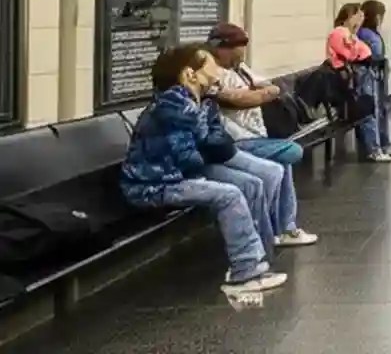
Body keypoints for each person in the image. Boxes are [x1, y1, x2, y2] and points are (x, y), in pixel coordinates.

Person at [119, 44, 287, 294]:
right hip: (155, 183)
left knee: (252, 183)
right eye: (209, 64)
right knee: (229, 194)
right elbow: (187, 156)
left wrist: (210, 145)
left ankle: (260, 260)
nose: (216, 70)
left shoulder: (202, 100)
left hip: (178, 174)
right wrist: (208, 149)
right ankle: (244, 272)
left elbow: (213, 138)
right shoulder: (173, 107)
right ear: (190, 74)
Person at [206, 23, 318, 248]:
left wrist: (258, 93)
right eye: (237, 50)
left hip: (255, 134)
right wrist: (256, 94)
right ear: (222, 48)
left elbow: (270, 87)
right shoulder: (213, 74)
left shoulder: (240, 68)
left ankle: (284, 227)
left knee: (282, 161)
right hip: (236, 140)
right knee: (286, 156)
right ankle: (278, 230)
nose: (241, 56)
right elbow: (239, 99)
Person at [327, 3, 386, 161]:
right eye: (358, 16)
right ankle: (373, 149)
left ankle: (374, 147)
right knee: (367, 109)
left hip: (361, 73)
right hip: (355, 75)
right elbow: (351, 54)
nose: (361, 20)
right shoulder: (339, 33)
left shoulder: (350, 33)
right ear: (348, 16)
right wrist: (358, 46)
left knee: (369, 109)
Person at [356, 0, 391, 161]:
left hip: (376, 75)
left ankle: (382, 145)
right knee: (372, 111)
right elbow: (369, 55)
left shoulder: (369, 33)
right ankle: (374, 148)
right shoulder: (365, 34)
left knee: (380, 110)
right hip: (369, 76)